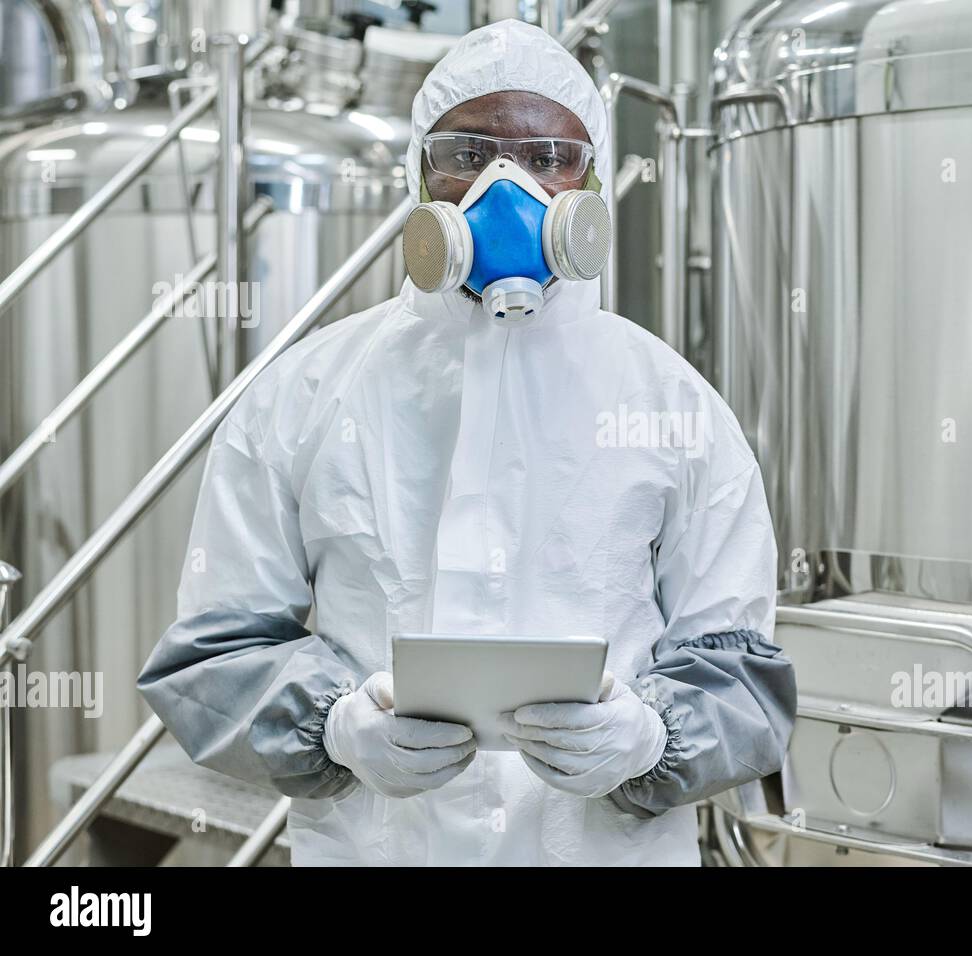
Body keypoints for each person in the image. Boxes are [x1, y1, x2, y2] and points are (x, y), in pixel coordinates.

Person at [138, 19, 795, 866]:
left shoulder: (674, 407)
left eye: (550, 157)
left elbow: (743, 677)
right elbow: (210, 657)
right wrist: (335, 728)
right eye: (467, 152)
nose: (506, 187)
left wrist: (649, 739)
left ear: (589, 182)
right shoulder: (305, 394)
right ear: (419, 175)